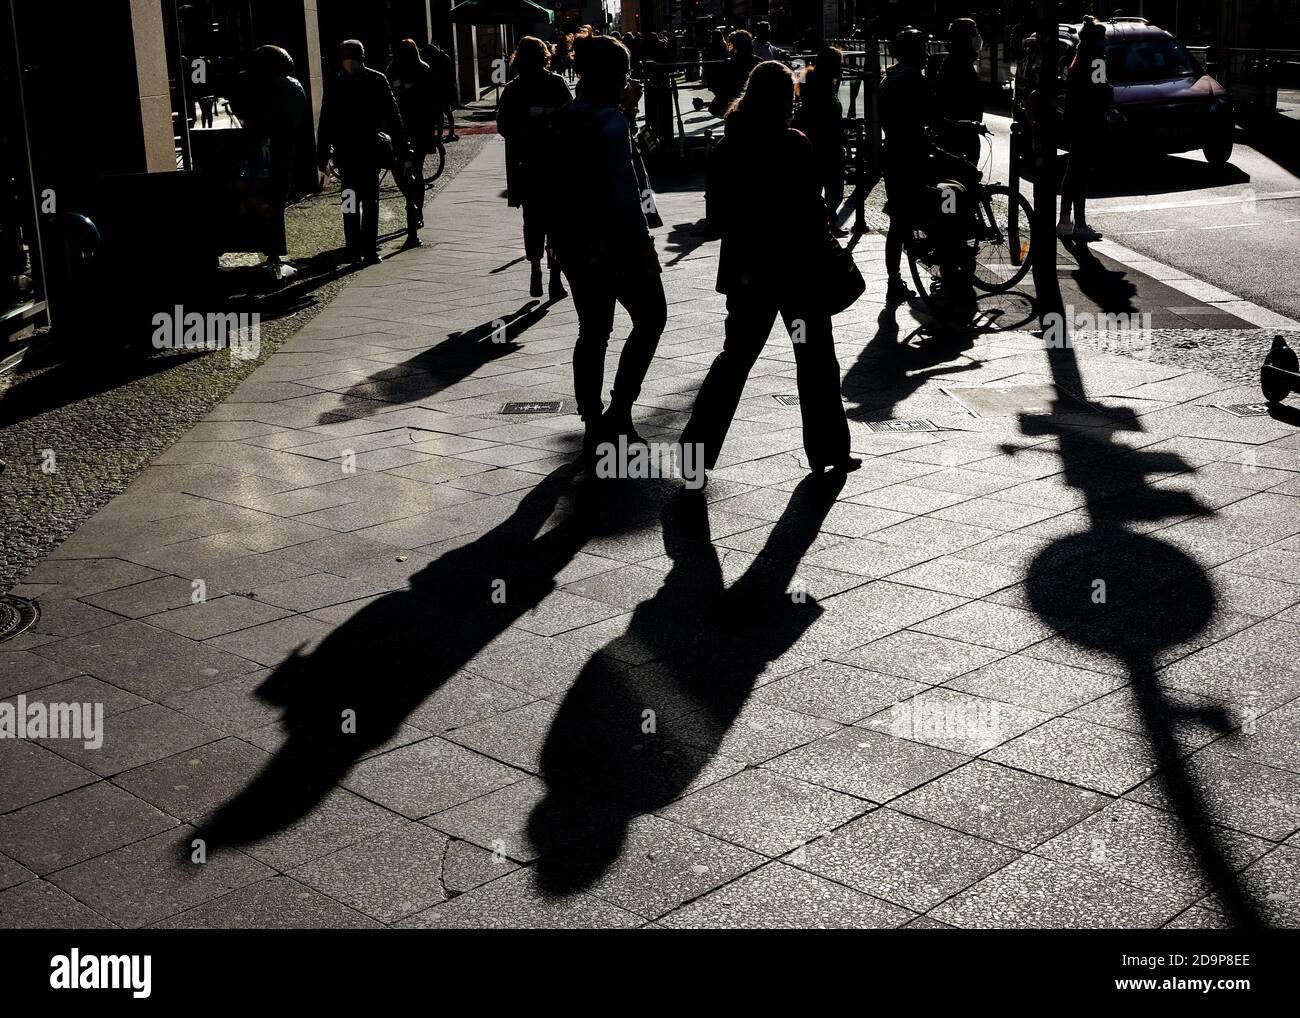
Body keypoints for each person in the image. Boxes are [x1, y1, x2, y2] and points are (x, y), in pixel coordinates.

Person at [681, 61, 858, 479]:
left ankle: (694, 458)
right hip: (798, 273)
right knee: (815, 361)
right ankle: (828, 450)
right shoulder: (794, 144)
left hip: (749, 273)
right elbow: (812, 213)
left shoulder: (729, 145)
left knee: (735, 360)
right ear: (784, 100)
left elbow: (717, 215)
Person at [548, 35, 666, 462]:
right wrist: (644, 242)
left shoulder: (568, 115)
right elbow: (624, 191)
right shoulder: (611, 122)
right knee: (652, 318)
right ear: (615, 75)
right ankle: (619, 408)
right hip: (619, 244)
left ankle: (592, 418)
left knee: (593, 331)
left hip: (577, 245)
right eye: (626, 73)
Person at [316, 39, 407, 265]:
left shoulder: (337, 83)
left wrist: (322, 154)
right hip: (367, 150)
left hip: (348, 152)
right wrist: (402, 148)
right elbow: (394, 118)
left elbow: (325, 122)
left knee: (352, 199)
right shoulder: (376, 80)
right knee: (368, 199)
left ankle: (354, 247)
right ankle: (366, 248)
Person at [497, 36, 572, 300]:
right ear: (544, 56)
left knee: (533, 221)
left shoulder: (512, 89)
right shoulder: (556, 83)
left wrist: (525, 130)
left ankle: (535, 268)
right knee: (557, 224)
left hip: (525, 166)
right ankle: (555, 277)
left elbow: (503, 127)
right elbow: (570, 119)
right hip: (555, 165)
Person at [231, 44, 313, 280]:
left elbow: (241, 108)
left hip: (258, 151)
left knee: (261, 197)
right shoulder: (289, 87)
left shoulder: (253, 86)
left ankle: (269, 253)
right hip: (281, 150)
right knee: (276, 199)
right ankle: (274, 254)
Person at [1058, 16, 1111, 242]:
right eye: (1104, 39)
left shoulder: (1077, 58)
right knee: (1081, 173)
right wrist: (1110, 91)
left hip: (1075, 120)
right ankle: (1079, 223)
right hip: (1090, 121)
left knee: (1072, 172)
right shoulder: (1097, 61)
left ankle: (1064, 220)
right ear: (1096, 41)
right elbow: (1101, 90)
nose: (1106, 43)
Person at [386, 38, 438, 245]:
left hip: (409, 128)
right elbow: (433, 101)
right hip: (417, 128)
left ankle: (414, 208)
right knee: (414, 171)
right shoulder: (416, 69)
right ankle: (415, 207)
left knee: (405, 170)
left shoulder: (402, 70)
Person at [792, 46, 847, 231]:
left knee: (819, 188)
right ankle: (827, 222)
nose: (841, 67)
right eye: (838, 64)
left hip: (815, 142)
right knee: (834, 189)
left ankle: (825, 222)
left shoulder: (814, 80)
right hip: (826, 143)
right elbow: (829, 117)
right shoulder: (822, 87)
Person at [933, 18, 984, 164]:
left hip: (963, 130)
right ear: (963, 38)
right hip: (959, 134)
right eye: (973, 33)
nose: (977, 37)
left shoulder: (960, 61)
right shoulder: (958, 64)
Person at [709, 30, 760, 117]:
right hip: (753, 105)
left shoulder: (729, 63)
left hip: (733, 106)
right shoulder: (757, 62)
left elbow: (718, 85)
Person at [422, 40, 459, 141]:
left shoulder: (439, 59)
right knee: (444, 112)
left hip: (442, 90)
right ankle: (447, 133)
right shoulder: (442, 58)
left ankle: (444, 133)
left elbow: (445, 77)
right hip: (443, 89)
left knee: (444, 112)